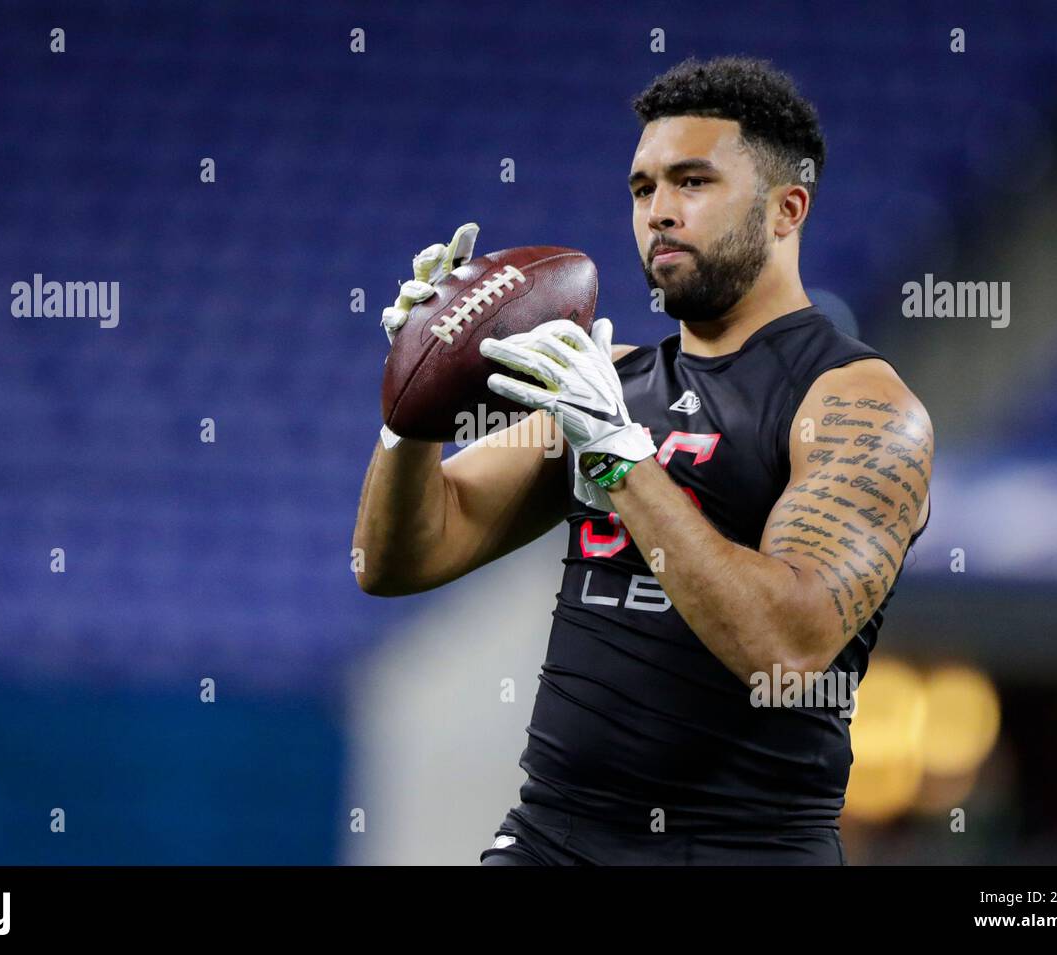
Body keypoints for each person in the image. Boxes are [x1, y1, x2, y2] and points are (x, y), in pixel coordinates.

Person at [353, 56, 933, 865]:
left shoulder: (860, 405)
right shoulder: (608, 378)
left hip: (745, 849)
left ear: (785, 208)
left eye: (693, 182)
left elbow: (784, 649)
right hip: (552, 836)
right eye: (643, 188)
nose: (659, 212)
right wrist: (413, 403)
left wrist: (622, 459)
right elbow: (393, 559)